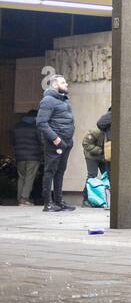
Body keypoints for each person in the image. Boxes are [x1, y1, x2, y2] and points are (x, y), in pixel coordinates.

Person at [35, 75, 75, 212]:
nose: (66, 84)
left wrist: (68, 141)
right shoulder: (48, 100)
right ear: (54, 85)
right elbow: (41, 123)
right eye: (63, 82)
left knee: (60, 171)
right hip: (55, 143)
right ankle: (48, 203)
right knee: (50, 171)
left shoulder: (63, 100)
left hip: (66, 143)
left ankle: (59, 201)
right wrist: (56, 139)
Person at [10, 109, 41, 206]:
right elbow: (41, 141)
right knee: (29, 177)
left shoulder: (17, 127)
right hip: (33, 156)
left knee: (21, 177)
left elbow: (12, 142)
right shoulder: (36, 127)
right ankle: (24, 199)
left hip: (20, 156)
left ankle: (20, 198)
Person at [80, 123, 109, 206]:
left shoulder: (114, 134)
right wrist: (100, 150)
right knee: (92, 176)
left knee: (107, 176)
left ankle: (105, 199)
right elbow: (85, 143)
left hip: (103, 157)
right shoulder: (96, 132)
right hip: (91, 156)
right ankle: (85, 200)